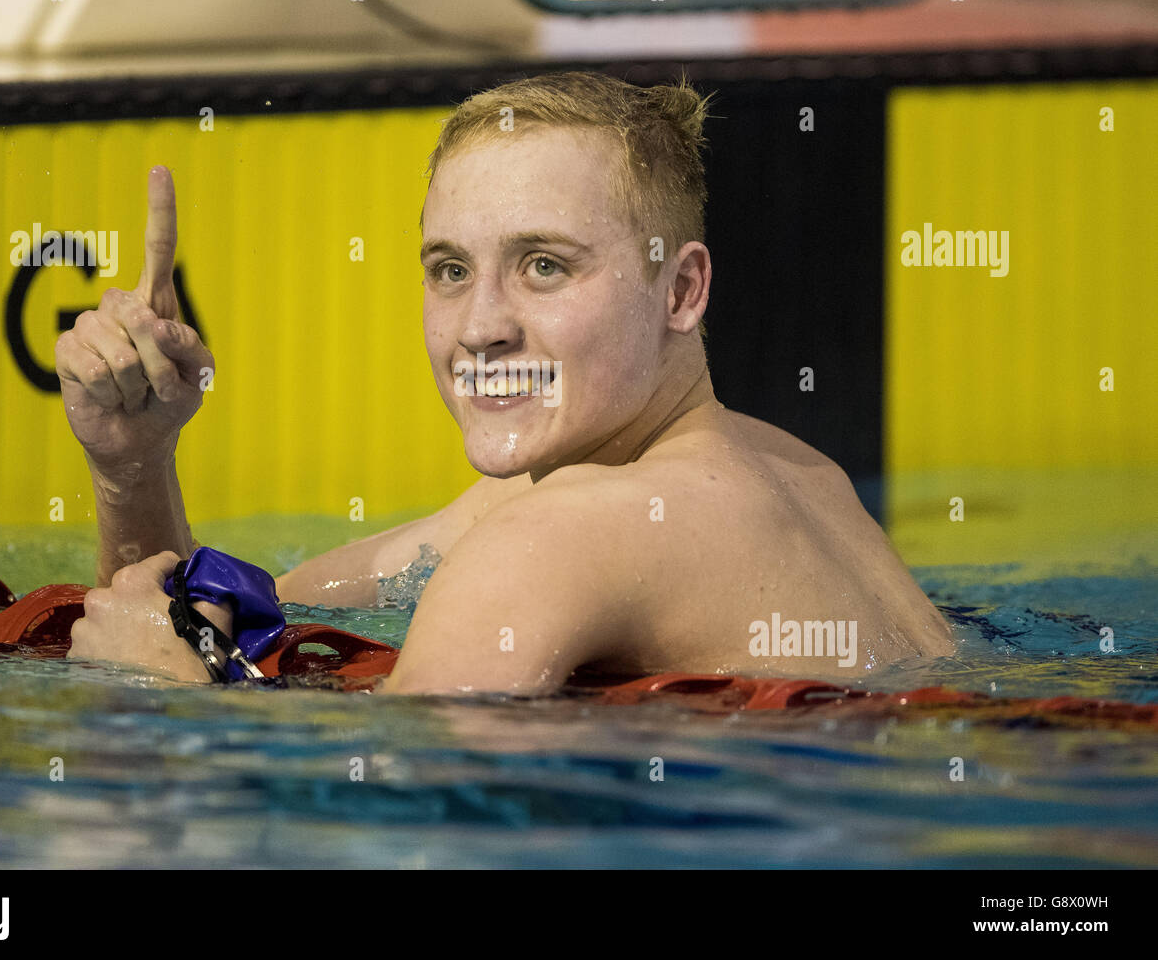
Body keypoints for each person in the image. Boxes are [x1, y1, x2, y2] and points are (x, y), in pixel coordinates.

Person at [63, 71, 954, 693]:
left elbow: (408, 824)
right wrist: (134, 463)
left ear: (681, 289)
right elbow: (247, 608)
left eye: (543, 265)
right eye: (450, 269)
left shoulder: (559, 535)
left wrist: (175, 700)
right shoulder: (796, 473)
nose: (482, 326)